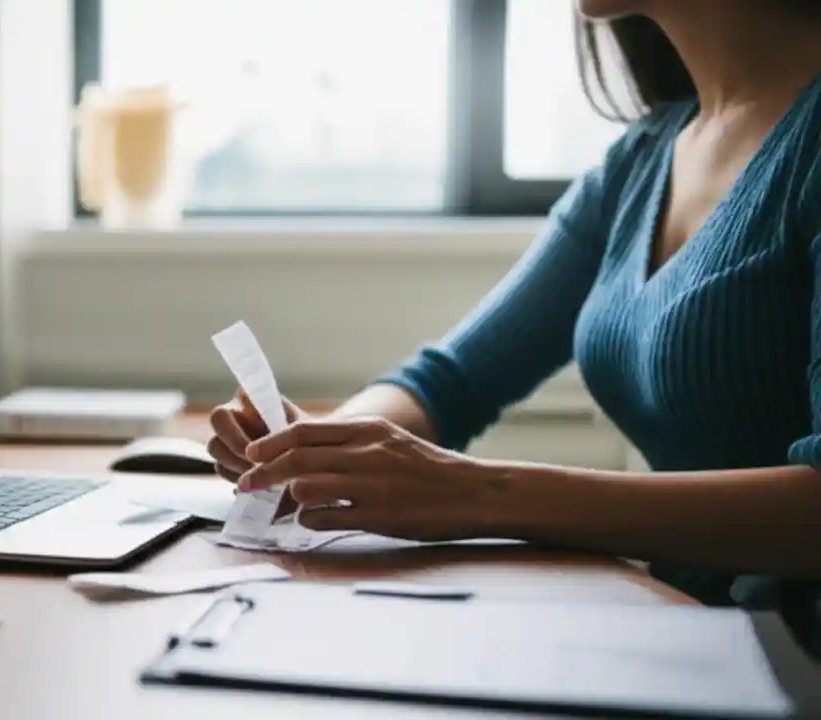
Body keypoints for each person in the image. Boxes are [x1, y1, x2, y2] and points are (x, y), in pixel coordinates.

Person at [207, 0, 821, 626]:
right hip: (690, 628)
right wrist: (322, 451)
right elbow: (450, 381)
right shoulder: (643, 159)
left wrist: (477, 492)